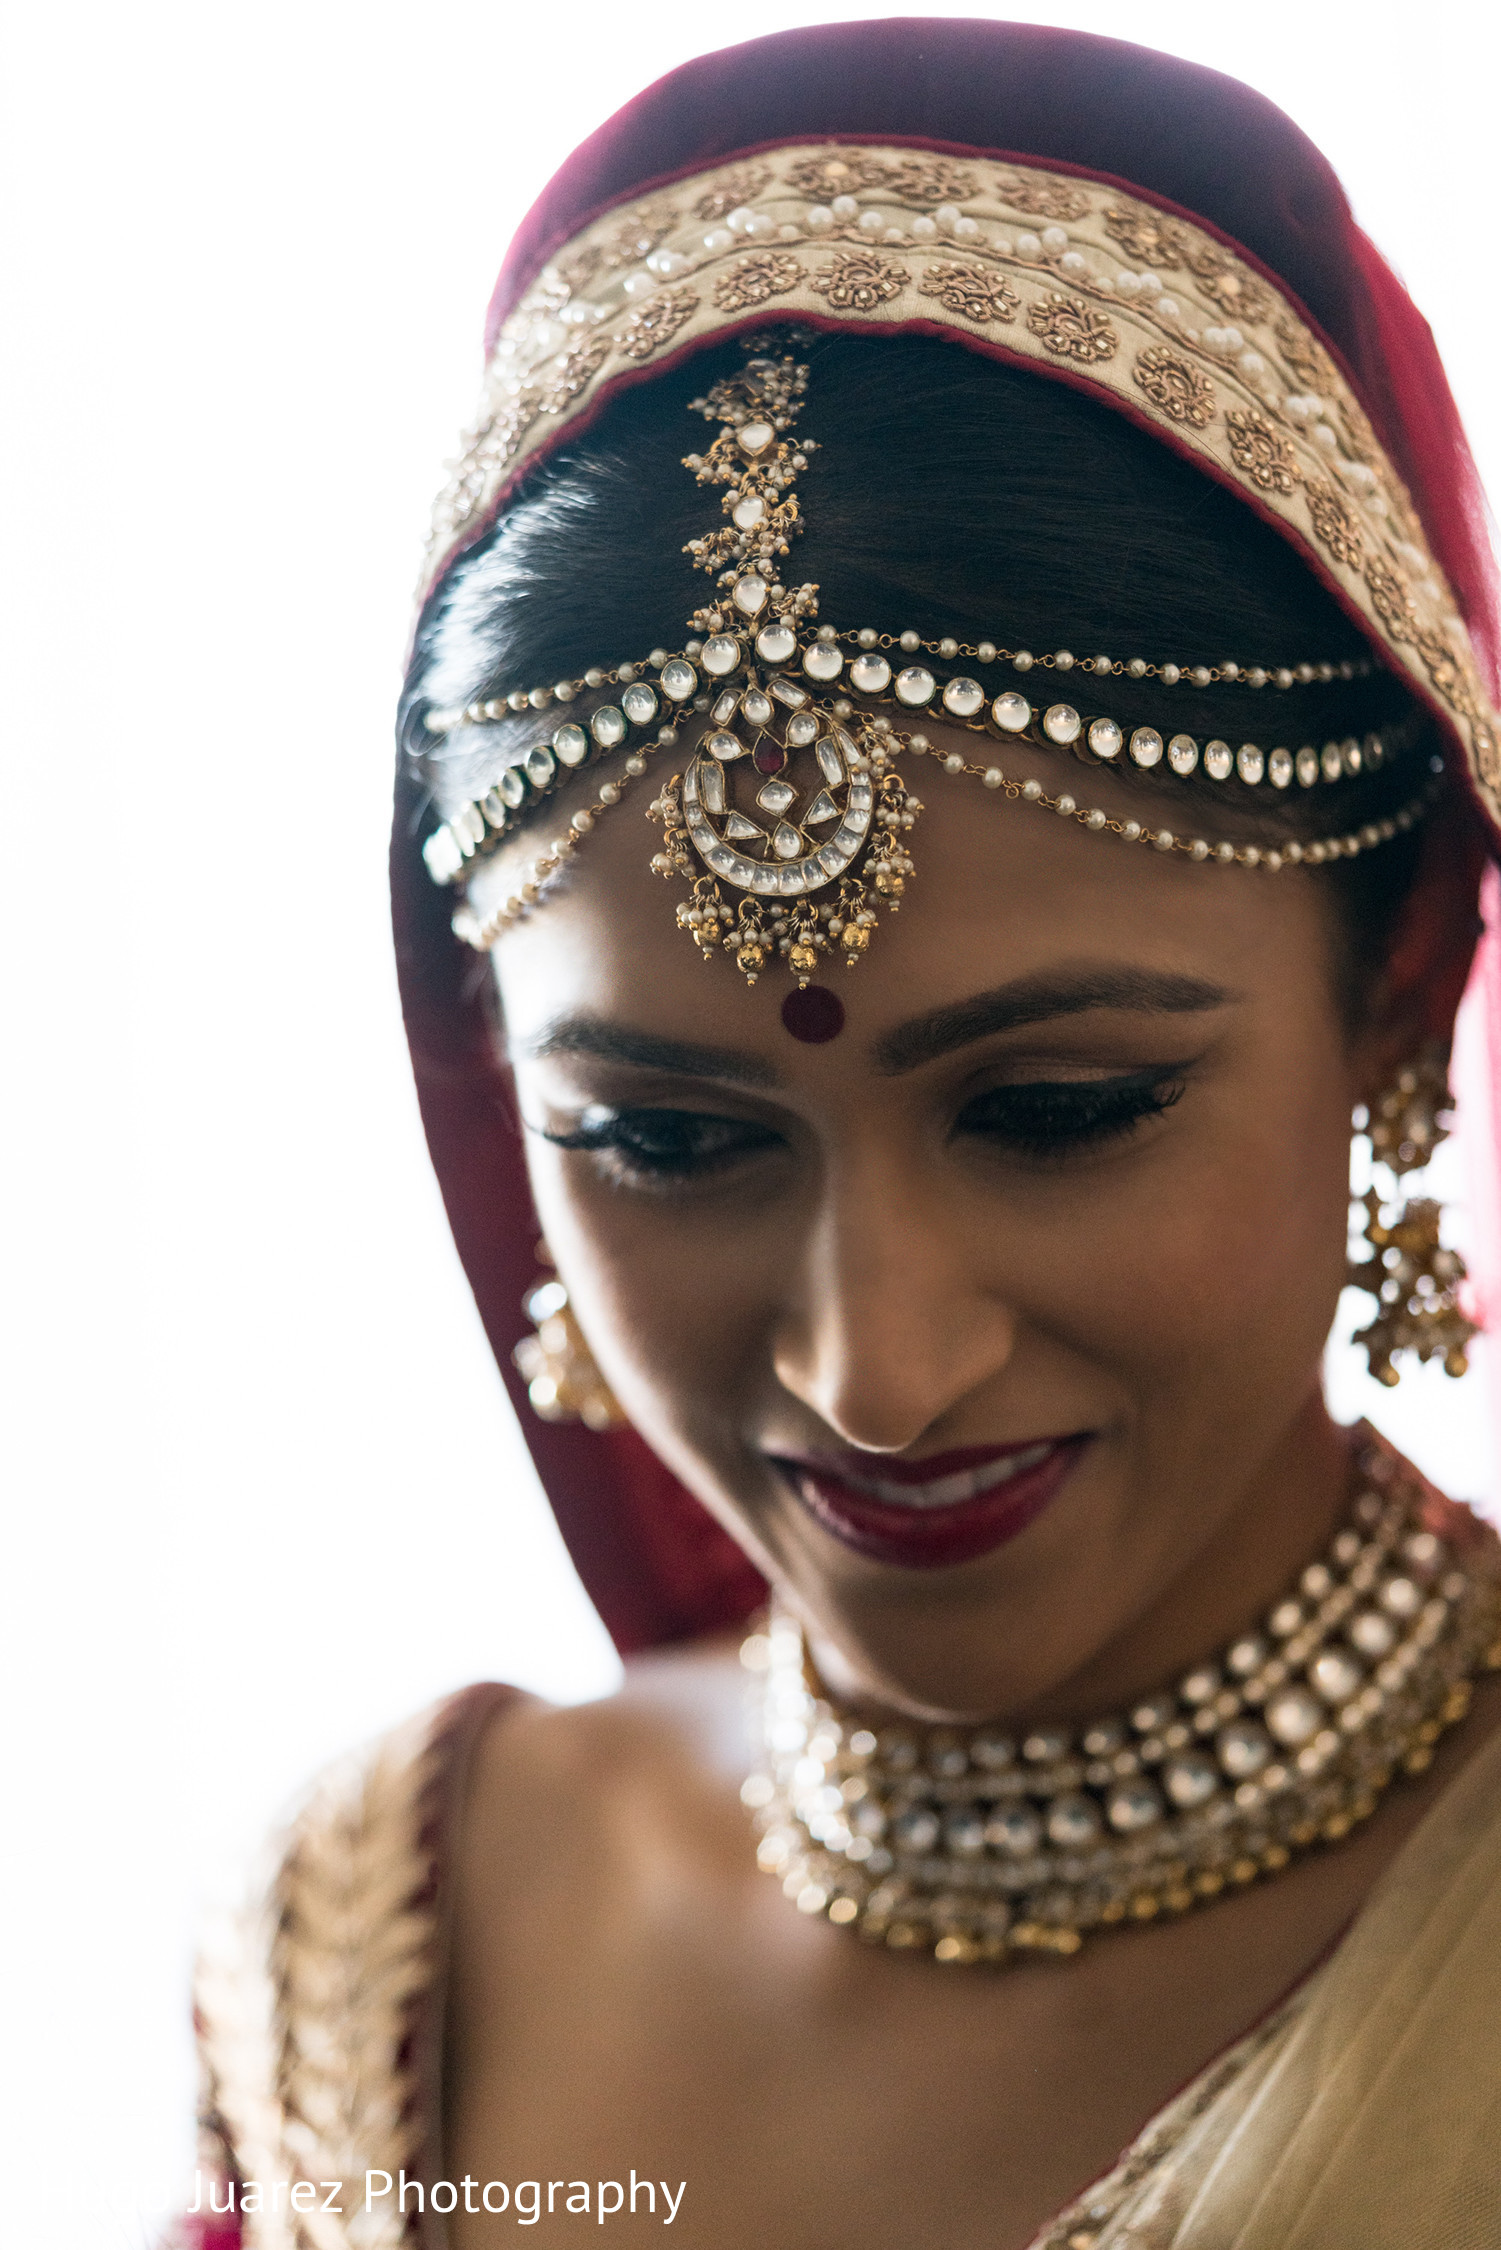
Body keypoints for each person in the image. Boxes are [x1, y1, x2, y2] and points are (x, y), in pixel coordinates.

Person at [182, 21, 1501, 2248]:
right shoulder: (382, 1931)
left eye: (1058, 1108)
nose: (871, 1372)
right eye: (669, 1144)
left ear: (1396, 984)